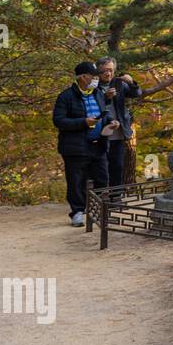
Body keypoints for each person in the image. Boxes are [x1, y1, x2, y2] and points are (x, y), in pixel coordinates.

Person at [53, 62, 118, 226]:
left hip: (99, 145)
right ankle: (77, 213)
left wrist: (112, 122)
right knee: (76, 181)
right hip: (75, 147)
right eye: (94, 76)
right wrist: (83, 122)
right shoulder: (66, 96)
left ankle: (102, 211)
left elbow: (103, 115)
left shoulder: (97, 93)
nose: (97, 79)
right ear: (83, 77)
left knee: (102, 178)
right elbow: (59, 121)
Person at [97, 56, 141, 187]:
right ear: (98, 71)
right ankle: (100, 200)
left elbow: (137, 93)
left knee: (117, 166)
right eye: (104, 70)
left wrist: (132, 82)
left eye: (110, 70)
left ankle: (116, 199)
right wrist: (106, 97)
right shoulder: (92, 86)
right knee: (100, 169)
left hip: (118, 133)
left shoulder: (118, 83)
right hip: (99, 134)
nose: (108, 73)